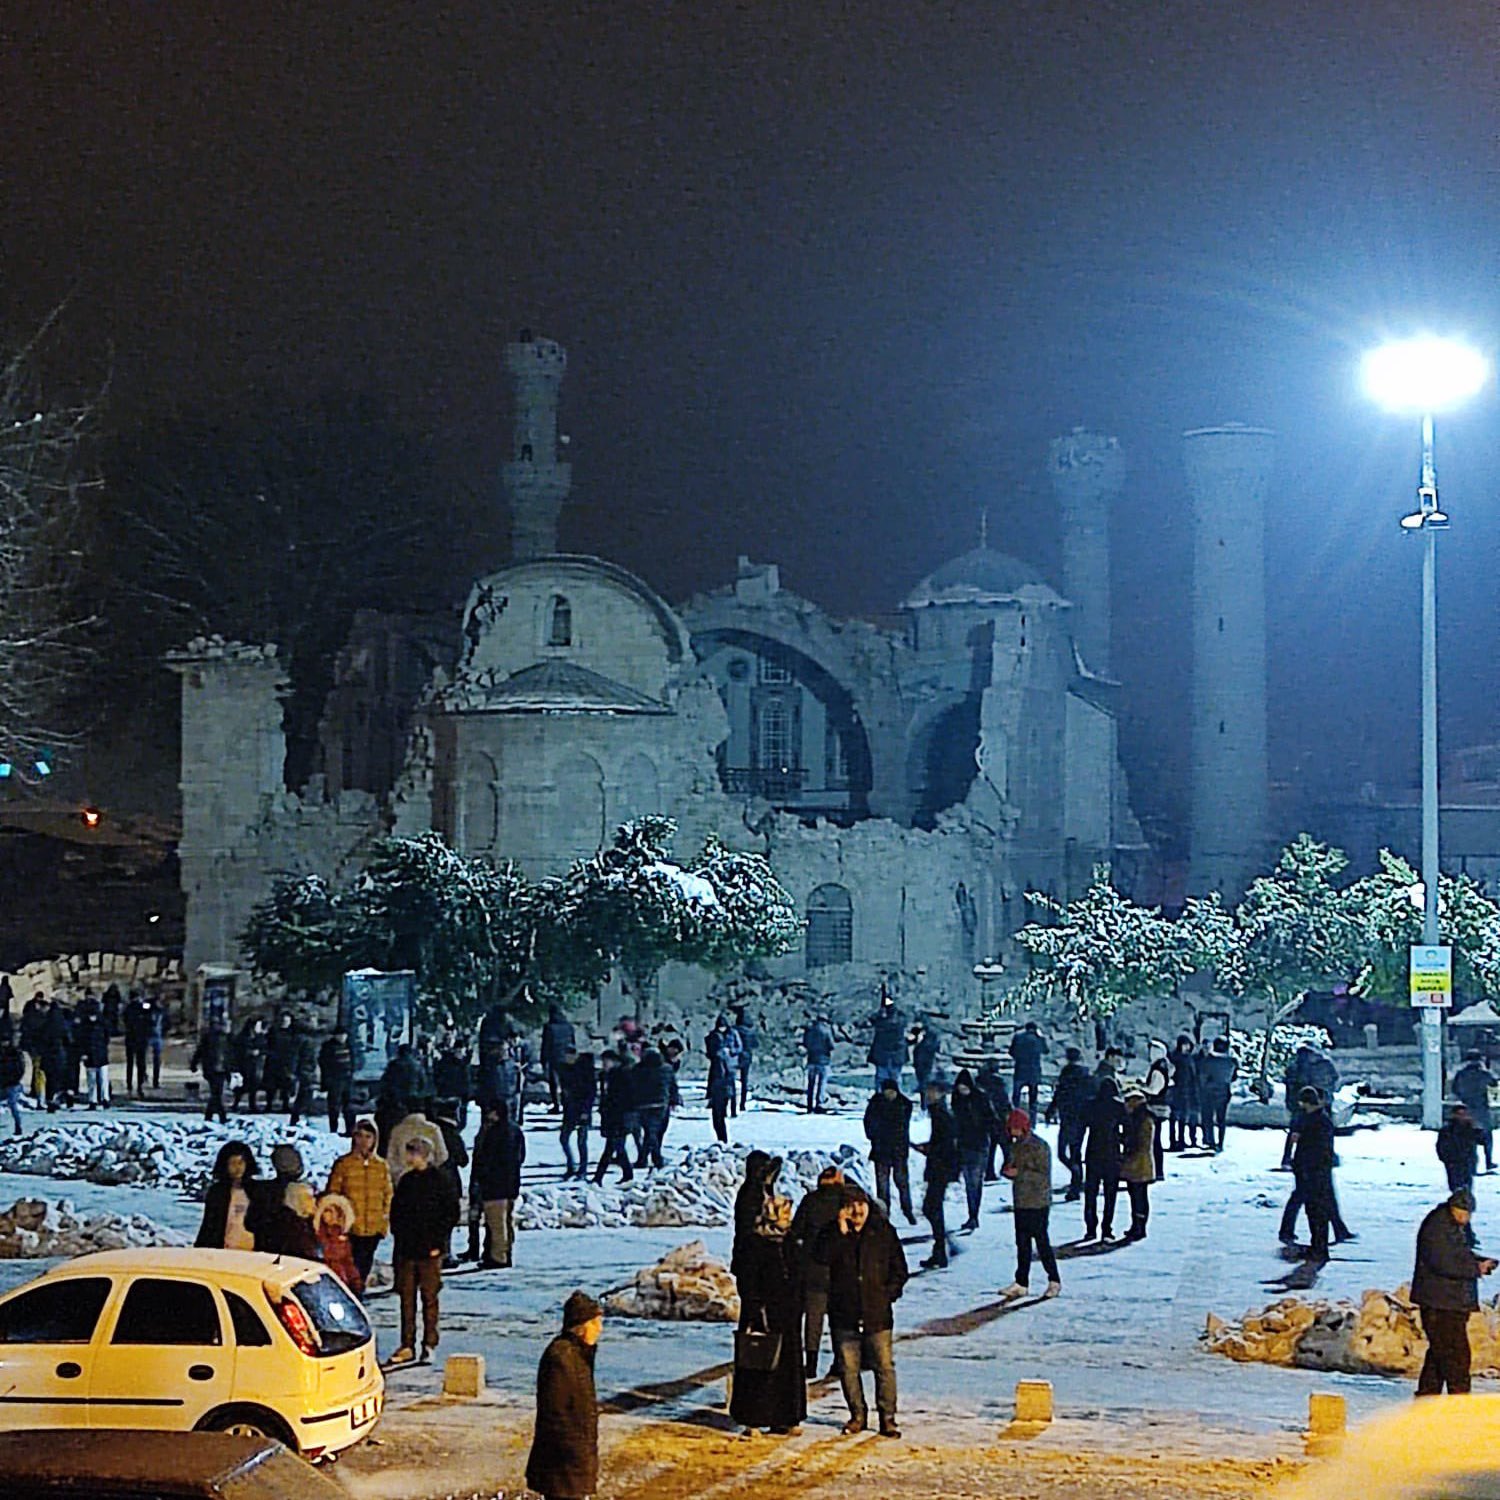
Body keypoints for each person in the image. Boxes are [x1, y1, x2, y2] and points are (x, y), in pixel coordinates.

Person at [815, 1185, 907, 1439]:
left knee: (884, 1367)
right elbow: (820, 1258)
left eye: (861, 1204)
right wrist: (839, 1232)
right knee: (848, 1368)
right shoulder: (831, 1234)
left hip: (877, 1314)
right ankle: (857, 1415)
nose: (857, 1210)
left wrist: (888, 1294)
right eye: (850, 1205)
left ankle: (887, 1418)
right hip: (844, 1313)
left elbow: (899, 1268)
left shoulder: (882, 1231)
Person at [730, 1194, 806, 1436]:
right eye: (785, 1213)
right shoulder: (754, 1242)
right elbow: (747, 1279)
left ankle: (786, 1417)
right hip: (762, 1314)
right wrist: (755, 1307)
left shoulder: (790, 1240)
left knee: (787, 1368)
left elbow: (798, 1274)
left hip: (788, 1315)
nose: (788, 1218)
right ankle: (753, 1419)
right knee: (758, 1366)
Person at [1412, 1186, 1498, 1396]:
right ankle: (1458, 1399)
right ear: (1454, 1208)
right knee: (1455, 1355)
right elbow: (1443, 1262)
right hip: (1441, 1304)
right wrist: (1476, 1268)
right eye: (1463, 1213)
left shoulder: (1448, 1226)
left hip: (1446, 1302)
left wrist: (1477, 1261)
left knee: (1440, 1353)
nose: (1466, 1219)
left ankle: (1427, 1397)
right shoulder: (1438, 1228)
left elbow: (1455, 1256)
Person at [526, 1291, 603, 1500]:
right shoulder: (562, 1357)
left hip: (573, 1458)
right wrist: (575, 1454)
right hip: (563, 1461)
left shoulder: (577, 1355)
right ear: (581, 1326)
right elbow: (556, 1413)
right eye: (595, 1323)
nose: (599, 1329)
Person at [389, 1136, 460, 1363]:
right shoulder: (407, 1181)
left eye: (413, 1153)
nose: (410, 1157)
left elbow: (450, 1214)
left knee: (429, 1299)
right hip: (408, 1250)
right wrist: (399, 1239)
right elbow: (397, 1213)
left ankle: (429, 1343)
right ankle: (407, 1344)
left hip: (430, 1250)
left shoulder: (440, 1180)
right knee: (407, 1300)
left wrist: (438, 1244)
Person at [789, 1165, 845, 1379]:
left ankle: (811, 1363)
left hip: (814, 1270)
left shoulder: (810, 1201)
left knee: (814, 1319)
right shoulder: (846, 1201)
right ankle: (839, 1361)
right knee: (840, 1319)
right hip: (841, 1270)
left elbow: (796, 1231)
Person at [999, 1108, 1061, 1299]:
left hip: (1037, 1202)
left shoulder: (1039, 1146)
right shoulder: (1015, 1146)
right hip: (1021, 1200)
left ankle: (1054, 1280)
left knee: (1042, 1243)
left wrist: (1020, 1174)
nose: (1013, 1132)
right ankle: (1021, 1282)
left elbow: (1042, 1176)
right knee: (1022, 1243)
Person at [326, 1117, 393, 1285]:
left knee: (365, 1264)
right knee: (350, 1265)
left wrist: (383, 1220)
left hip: (373, 1226)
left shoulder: (381, 1166)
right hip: (350, 1227)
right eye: (360, 1136)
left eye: (368, 1137)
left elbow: (387, 1194)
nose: (363, 1141)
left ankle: (359, 1289)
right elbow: (334, 1194)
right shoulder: (344, 1164)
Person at [472, 1101, 526, 1268]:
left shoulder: (494, 1132)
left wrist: (482, 1176)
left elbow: (486, 1158)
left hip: (495, 1184)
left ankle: (498, 1257)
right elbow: (521, 1155)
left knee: (496, 1224)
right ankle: (506, 1253)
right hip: (512, 1182)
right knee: (507, 1222)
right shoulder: (515, 1130)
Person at [1288, 1085, 1336, 1264]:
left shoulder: (1310, 1121)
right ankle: (1318, 1246)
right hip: (1318, 1170)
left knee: (1315, 1211)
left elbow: (1304, 1145)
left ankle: (1319, 1248)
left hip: (1310, 1170)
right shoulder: (1323, 1119)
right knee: (1318, 1211)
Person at [914, 1078, 958, 1269]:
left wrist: (929, 1149)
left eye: (932, 1092)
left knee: (931, 1207)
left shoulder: (941, 1115)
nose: (928, 1095)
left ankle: (943, 1248)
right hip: (940, 1167)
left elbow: (945, 1144)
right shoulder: (939, 1113)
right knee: (932, 1208)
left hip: (940, 1168)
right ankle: (942, 1248)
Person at [1080, 1075, 1127, 1241]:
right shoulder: (1118, 1107)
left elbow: (1082, 1126)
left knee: (1091, 1193)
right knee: (1110, 1194)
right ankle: (1107, 1228)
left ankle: (1090, 1228)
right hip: (1112, 1153)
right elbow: (1127, 1129)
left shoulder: (1090, 1105)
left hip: (1093, 1152)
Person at [864, 1078, 916, 1223]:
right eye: (887, 1092)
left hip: (899, 1149)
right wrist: (873, 1137)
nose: (889, 1094)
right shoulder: (876, 1104)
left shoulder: (904, 1104)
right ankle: (884, 1212)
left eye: (891, 1092)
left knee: (902, 1182)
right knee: (882, 1184)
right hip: (881, 1149)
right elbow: (868, 1123)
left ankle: (907, 1210)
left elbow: (903, 1126)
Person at [1045, 1045, 1093, 1198]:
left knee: (1062, 1152)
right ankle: (1076, 1184)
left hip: (1067, 1117)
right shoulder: (1086, 1075)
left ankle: (1076, 1176)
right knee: (1075, 1151)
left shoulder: (1066, 1074)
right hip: (1081, 1118)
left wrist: (1051, 1110)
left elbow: (1059, 1094)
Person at [952, 1068, 996, 1232]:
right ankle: (972, 1214)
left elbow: (991, 1119)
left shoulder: (981, 1098)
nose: (962, 1091)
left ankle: (973, 1215)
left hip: (979, 1144)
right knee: (969, 1181)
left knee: (975, 1182)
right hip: (964, 1145)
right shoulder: (957, 1100)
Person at [195, 1141, 261, 1249]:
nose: (237, 1168)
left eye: (240, 1163)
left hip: (252, 1251)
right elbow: (209, 1225)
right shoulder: (217, 1192)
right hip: (224, 1250)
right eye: (232, 1163)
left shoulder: (258, 1191)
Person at [733, 1151, 784, 1266]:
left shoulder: (762, 1188)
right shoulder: (751, 1192)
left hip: (759, 1251)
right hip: (750, 1252)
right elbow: (749, 1224)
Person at [1452, 1049, 1498, 1172]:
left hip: (1466, 1109)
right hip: (1482, 1109)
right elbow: (1494, 1083)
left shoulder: (1461, 1074)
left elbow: (1454, 1089)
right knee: (1487, 1137)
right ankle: (1488, 1161)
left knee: (1468, 1138)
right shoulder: (1484, 1074)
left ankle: (1472, 1165)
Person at [1120, 1089, 1156, 1242]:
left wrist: (1125, 1142)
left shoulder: (1142, 1121)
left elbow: (1140, 1142)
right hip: (1138, 1163)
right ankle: (1137, 1225)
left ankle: (1139, 1227)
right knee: (1136, 1196)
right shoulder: (1140, 1119)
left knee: (1139, 1197)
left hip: (1139, 1163)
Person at [592, 1051, 634, 1184]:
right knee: (616, 1148)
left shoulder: (622, 1076)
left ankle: (598, 1177)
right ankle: (627, 1174)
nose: (604, 1064)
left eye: (606, 1062)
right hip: (611, 1117)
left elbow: (623, 1098)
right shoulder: (606, 1076)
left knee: (612, 1148)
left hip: (619, 1117)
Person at [558, 1046, 596, 1180]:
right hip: (569, 1110)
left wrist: (586, 1111)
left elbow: (590, 1093)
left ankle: (583, 1169)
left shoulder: (585, 1070)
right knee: (564, 1138)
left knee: (581, 1141)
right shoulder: (564, 1070)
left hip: (582, 1110)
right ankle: (571, 1165)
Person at [387, 1109, 449, 1188]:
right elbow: (443, 1155)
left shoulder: (397, 1130)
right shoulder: (433, 1129)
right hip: (430, 1179)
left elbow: (391, 1159)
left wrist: (399, 1173)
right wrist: (430, 1166)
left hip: (402, 1179)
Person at [1196, 1036, 1238, 1153]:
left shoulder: (1208, 1061)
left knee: (1208, 1118)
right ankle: (1220, 1142)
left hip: (1208, 1092)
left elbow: (1202, 1077)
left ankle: (1210, 1141)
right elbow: (1233, 1077)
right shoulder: (1231, 1061)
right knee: (1221, 1119)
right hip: (1224, 1092)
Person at [633, 1046, 674, 1165]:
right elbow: (672, 1086)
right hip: (661, 1104)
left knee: (650, 1133)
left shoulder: (637, 1069)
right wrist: (674, 1100)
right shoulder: (667, 1068)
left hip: (642, 1105)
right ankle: (654, 1158)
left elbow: (632, 1087)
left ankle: (646, 1158)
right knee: (656, 1133)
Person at [316, 1192, 362, 1293]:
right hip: (323, 1281)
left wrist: (355, 1282)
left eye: (335, 1212)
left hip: (340, 1282)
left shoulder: (341, 1237)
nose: (332, 1215)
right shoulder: (316, 1235)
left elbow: (348, 1262)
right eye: (328, 1211)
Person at [977, 1057, 1012, 1180]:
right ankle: (1006, 1169)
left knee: (990, 1148)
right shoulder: (999, 1084)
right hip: (999, 1119)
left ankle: (989, 1172)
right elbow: (1004, 1102)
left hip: (983, 1120)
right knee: (1006, 1147)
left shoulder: (978, 1084)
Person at [191, 1021, 233, 1123]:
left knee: (216, 1093)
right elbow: (229, 1055)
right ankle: (220, 1116)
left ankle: (210, 1115)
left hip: (212, 1069)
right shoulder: (225, 1039)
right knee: (217, 1094)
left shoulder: (209, 1038)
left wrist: (194, 1064)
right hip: (219, 1069)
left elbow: (199, 1052)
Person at [1438, 1104, 1485, 1194]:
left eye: (1464, 1114)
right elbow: (1441, 1145)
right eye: (1459, 1114)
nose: (1462, 1117)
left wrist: (1477, 1129)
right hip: (1453, 1161)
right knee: (1456, 1186)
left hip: (1468, 1160)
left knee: (1467, 1185)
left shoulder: (1470, 1128)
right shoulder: (1447, 1129)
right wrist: (1446, 1157)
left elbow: (1482, 1140)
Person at [866, 991, 908, 1091]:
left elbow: (873, 1021)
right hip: (895, 1055)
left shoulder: (882, 1022)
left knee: (882, 1079)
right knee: (895, 1079)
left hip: (884, 1055)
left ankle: (882, 1097)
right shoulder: (900, 1019)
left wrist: (879, 1014)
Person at [432, 1029, 473, 1130]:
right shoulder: (448, 1062)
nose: (460, 1053)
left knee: (461, 1121)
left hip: (460, 1095)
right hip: (451, 1095)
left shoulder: (464, 1063)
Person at [318, 1027, 355, 1135]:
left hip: (347, 1079)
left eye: (344, 1035)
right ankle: (333, 1129)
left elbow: (353, 1060)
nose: (342, 1037)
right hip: (335, 1080)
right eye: (340, 1035)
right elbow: (324, 1064)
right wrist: (326, 1082)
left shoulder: (348, 1045)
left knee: (349, 1106)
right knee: (334, 1106)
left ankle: (350, 1129)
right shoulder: (328, 1047)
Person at [540, 1005, 576, 1112]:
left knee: (554, 1083)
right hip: (567, 1057)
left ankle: (556, 1105)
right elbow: (573, 1043)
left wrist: (543, 1060)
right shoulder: (569, 1027)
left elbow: (546, 1045)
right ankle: (567, 1104)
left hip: (554, 1057)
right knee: (566, 1083)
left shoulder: (549, 1027)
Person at [1008, 1022, 1047, 1121]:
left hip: (1020, 1070)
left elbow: (1011, 1052)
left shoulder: (1018, 1037)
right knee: (1033, 1100)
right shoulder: (1038, 1039)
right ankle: (1032, 1121)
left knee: (1016, 1097)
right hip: (1034, 1072)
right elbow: (1046, 1050)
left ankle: (1014, 1118)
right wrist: (1041, 1037)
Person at [1167, 1034, 1200, 1150]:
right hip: (1176, 1091)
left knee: (1183, 1118)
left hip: (1187, 1091)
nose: (1186, 1047)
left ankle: (1181, 1140)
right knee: (1174, 1118)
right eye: (1184, 1045)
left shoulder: (1189, 1058)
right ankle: (1173, 1141)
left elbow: (1193, 1076)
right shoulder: (1174, 1057)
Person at [79, 994, 110, 1109]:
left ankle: (94, 1100)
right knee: (102, 1079)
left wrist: (83, 1053)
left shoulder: (85, 1025)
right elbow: (106, 1038)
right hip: (99, 1054)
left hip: (92, 1054)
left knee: (93, 1079)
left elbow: (82, 1040)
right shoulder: (102, 1023)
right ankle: (104, 1099)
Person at [263, 1012, 297, 1114]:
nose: (284, 1022)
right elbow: (267, 1044)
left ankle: (285, 1105)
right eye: (283, 1020)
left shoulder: (293, 1033)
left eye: (287, 1020)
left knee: (286, 1085)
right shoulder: (273, 1031)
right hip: (273, 1061)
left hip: (287, 1062)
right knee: (271, 1086)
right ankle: (269, 1105)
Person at [706, 1032, 737, 1145]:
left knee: (718, 1118)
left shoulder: (718, 1058)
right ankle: (723, 1140)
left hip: (720, 1090)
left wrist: (711, 1092)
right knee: (720, 1117)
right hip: (725, 1089)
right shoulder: (727, 1056)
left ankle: (722, 1140)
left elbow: (717, 1077)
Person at [288, 1020, 320, 1126]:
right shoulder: (306, 1040)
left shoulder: (298, 1040)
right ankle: (300, 1116)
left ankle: (297, 1117)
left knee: (303, 1095)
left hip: (304, 1070)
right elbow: (299, 1057)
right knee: (305, 1095)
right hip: (305, 1070)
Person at [233, 1015, 268, 1112]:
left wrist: (260, 1052)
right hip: (244, 1064)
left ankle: (252, 1104)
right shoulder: (243, 1037)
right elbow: (237, 1050)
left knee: (254, 1085)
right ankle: (236, 1103)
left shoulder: (260, 1037)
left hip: (256, 1065)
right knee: (243, 1085)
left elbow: (265, 1048)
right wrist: (248, 1052)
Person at [802, 1013, 835, 1114]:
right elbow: (831, 1045)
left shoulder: (809, 1030)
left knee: (811, 1084)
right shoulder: (826, 1030)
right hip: (823, 1060)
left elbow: (805, 1043)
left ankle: (809, 1105)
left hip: (811, 1059)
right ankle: (819, 1104)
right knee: (822, 1083)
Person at [123, 992, 152, 1098]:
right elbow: (149, 1020)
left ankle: (129, 1085)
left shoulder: (128, 1008)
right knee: (141, 1063)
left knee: (130, 1063)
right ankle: (140, 1086)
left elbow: (125, 1021)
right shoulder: (142, 1007)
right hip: (141, 1038)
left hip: (131, 1038)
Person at [732, 1004, 758, 1113]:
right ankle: (742, 1103)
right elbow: (755, 1044)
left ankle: (733, 1104)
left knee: (732, 1081)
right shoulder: (750, 1032)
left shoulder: (734, 1030)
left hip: (735, 1057)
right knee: (744, 1081)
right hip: (747, 1057)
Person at [911, 1020, 941, 1104]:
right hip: (920, 1062)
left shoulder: (930, 1036)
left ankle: (927, 1103)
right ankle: (924, 1103)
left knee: (927, 1084)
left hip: (927, 1063)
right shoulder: (923, 1035)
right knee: (923, 1083)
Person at [0, 1036, 23, 1134]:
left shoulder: (14, 1053)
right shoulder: (15, 1053)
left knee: (13, 1105)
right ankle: (18, 1126)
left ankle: (18, 1126)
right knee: (13, 1105)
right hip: (8, 1083)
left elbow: (20, 1068)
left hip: (12, 1083)